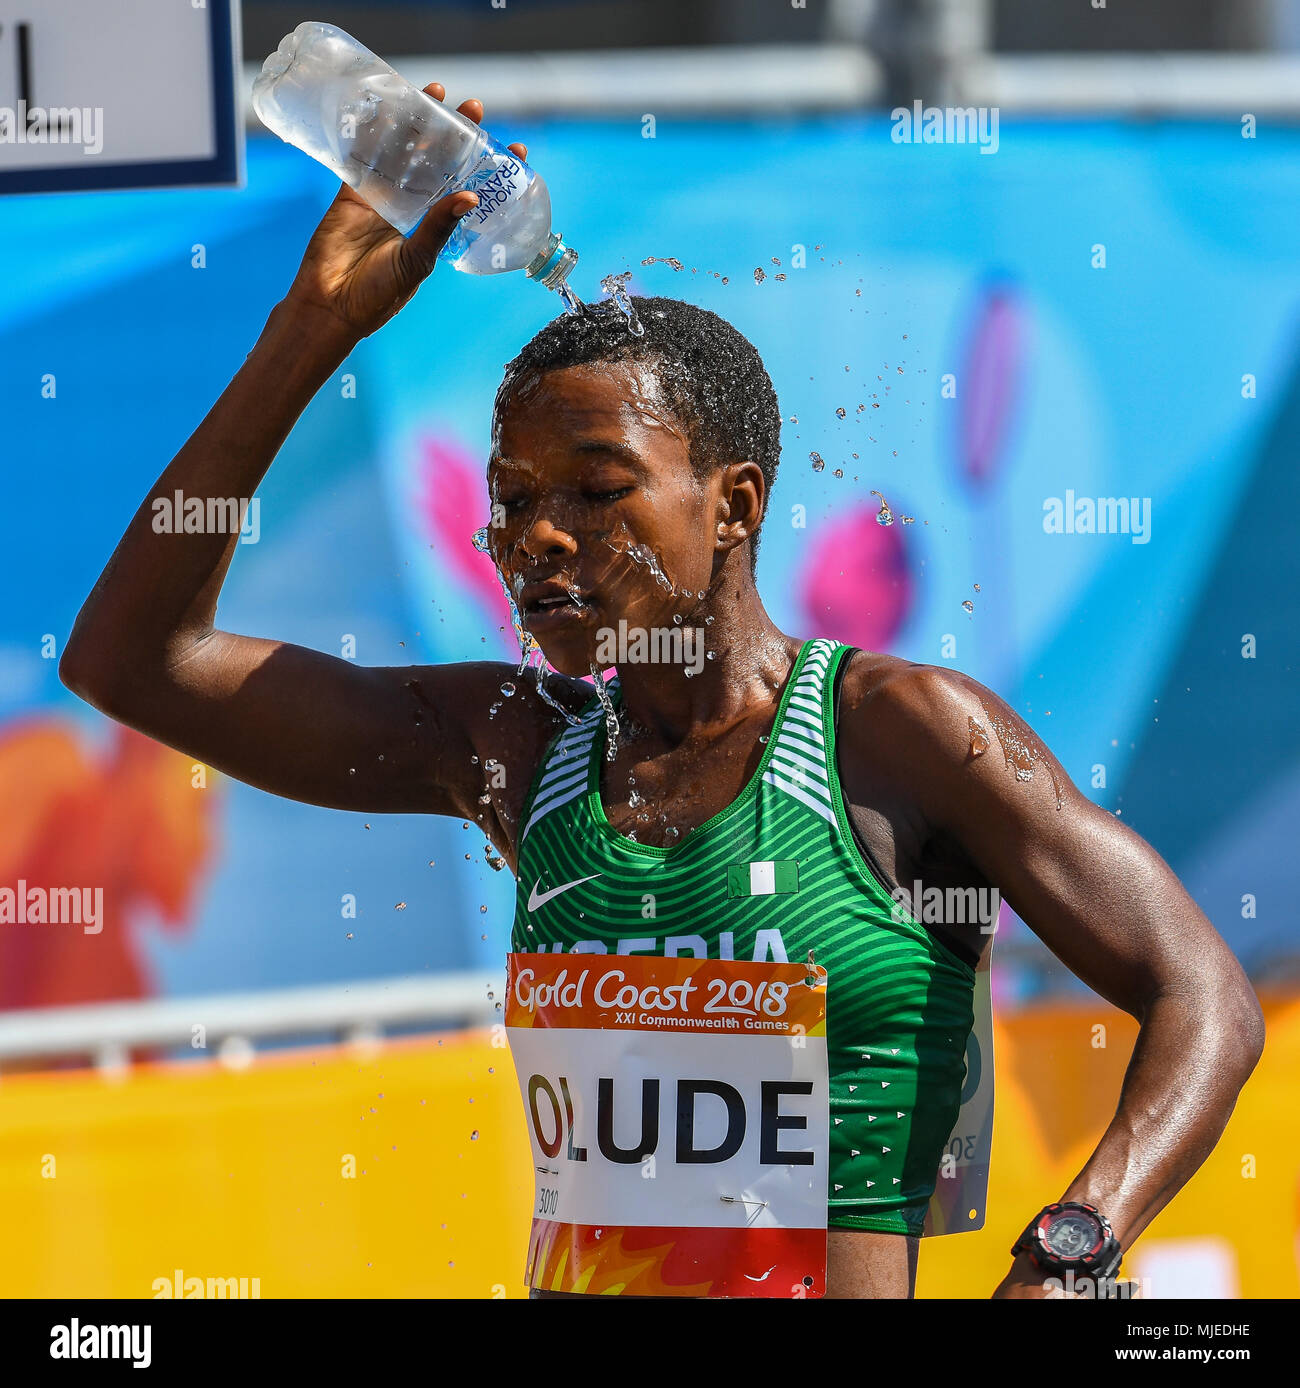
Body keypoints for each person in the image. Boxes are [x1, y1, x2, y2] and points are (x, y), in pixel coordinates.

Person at [60, 83, 1265, 1300]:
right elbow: (130, 660)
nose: (537, 535)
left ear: (733, 504)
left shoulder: (897, 734)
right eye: (512, 497)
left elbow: (1201, 993)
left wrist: (1072, 1245)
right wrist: (307, 331)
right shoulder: (514, 750)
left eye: (595, 489)